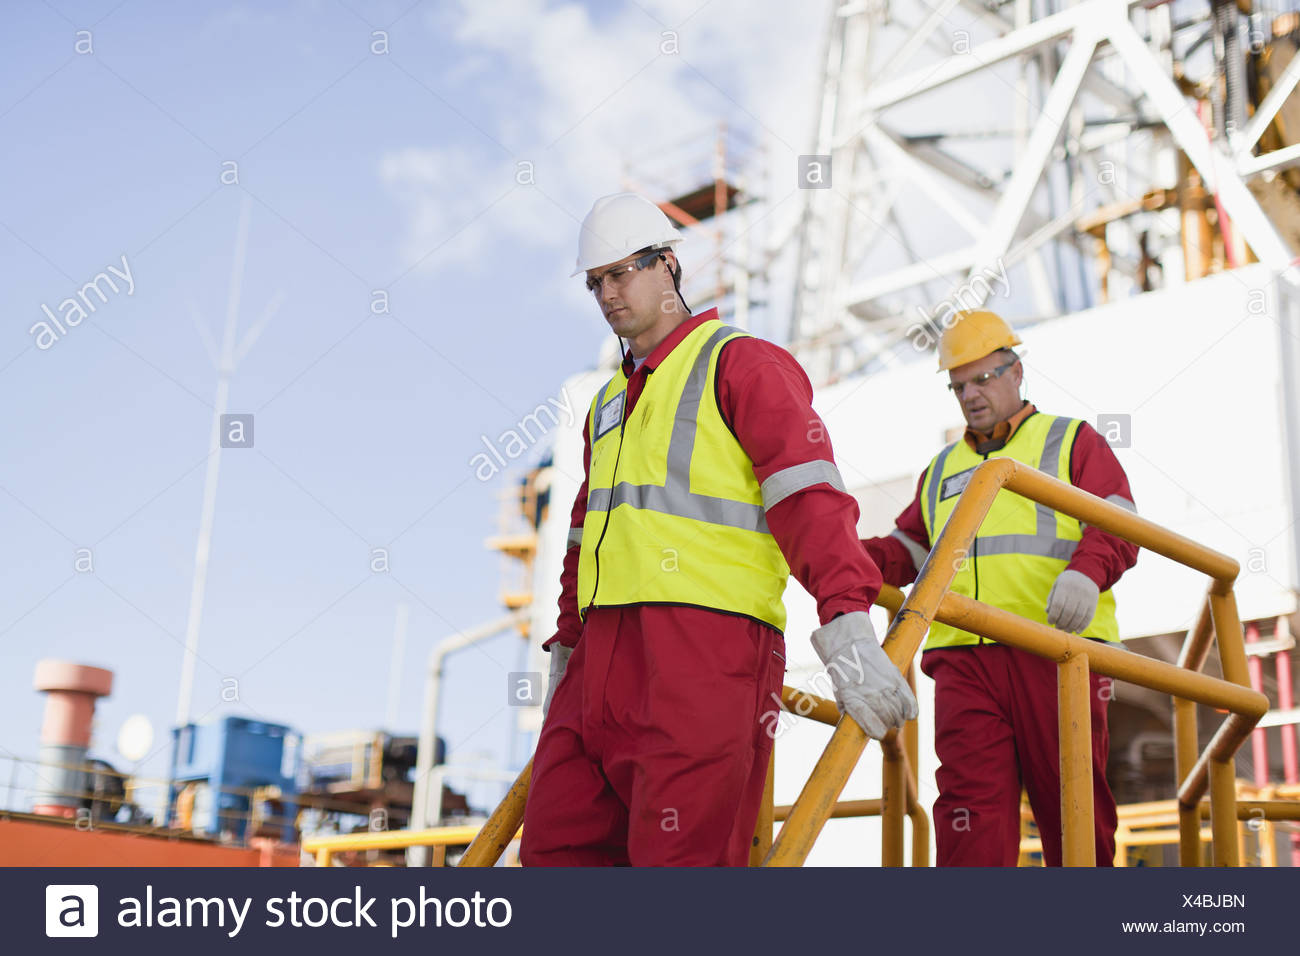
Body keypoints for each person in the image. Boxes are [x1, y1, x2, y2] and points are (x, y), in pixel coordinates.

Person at [520, 193, 917, 866]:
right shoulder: (606, 404)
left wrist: (847, 621)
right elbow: (585, 538)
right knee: (554, 853)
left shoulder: (741, 363)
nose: (608, 294)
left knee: (680, 866)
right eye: (595, 282)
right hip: (599, 664)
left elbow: (808, 498)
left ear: (667, 264)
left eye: (621, 273)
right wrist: (567, 645)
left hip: (706, 651)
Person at [862, 309, 1138, 866]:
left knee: (1074, 810)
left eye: (984, 378)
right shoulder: (940, 471)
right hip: (965, 663)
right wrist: (839, 554)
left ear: (1016, 372)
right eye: (959, 385)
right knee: (969, 813)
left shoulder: (1071, 441)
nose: (971, 395)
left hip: (1058, 652)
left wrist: (1087, 572)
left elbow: (1120, 521)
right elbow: (909, 551)